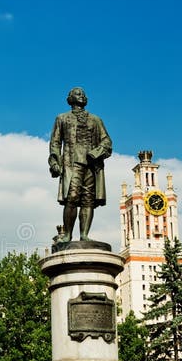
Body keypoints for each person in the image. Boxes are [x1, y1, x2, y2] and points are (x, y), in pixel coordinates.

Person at [48, 86, 112, 247]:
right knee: (71, 198)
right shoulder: (62, 118)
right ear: (70, 99)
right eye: (77, 94)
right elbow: (55, 142)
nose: (82, 96)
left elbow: (107, 142)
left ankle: (84, 235)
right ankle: (68, 235)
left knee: (88, 200)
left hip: (91, 165)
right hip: (72, 163)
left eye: (83, 94)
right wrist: (54, 162)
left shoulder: (95, 120)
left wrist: (96, 153)